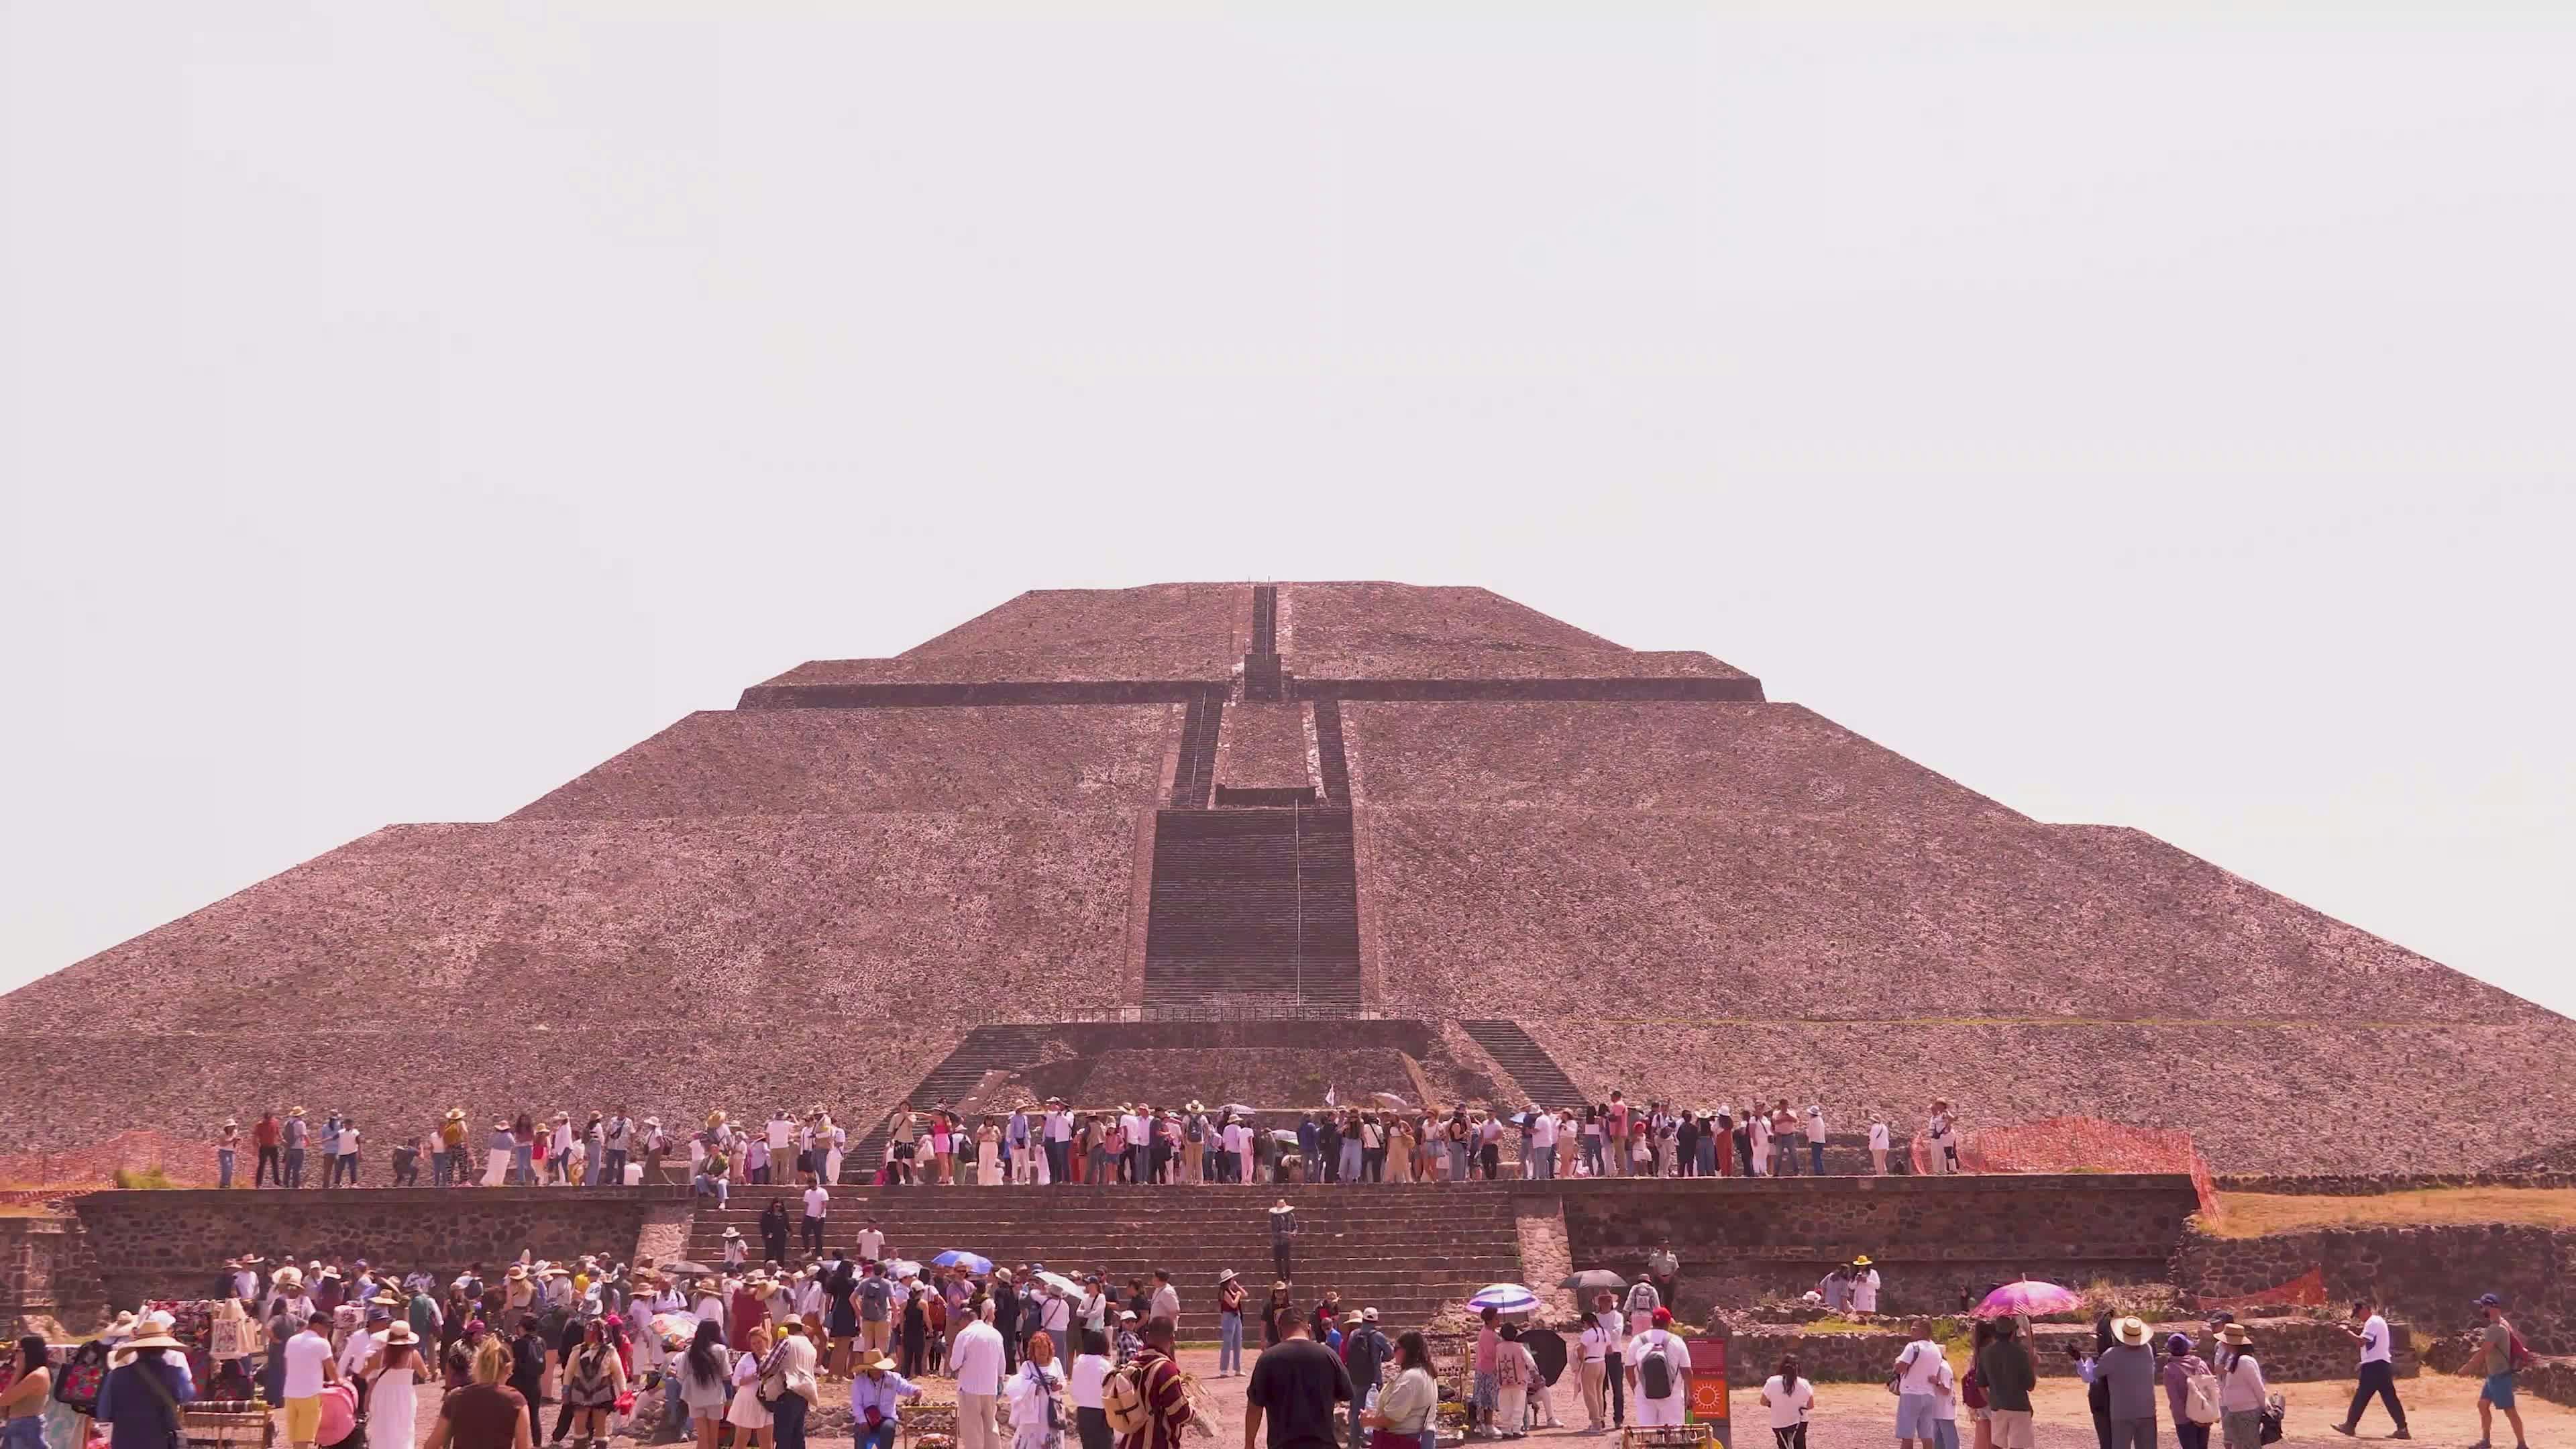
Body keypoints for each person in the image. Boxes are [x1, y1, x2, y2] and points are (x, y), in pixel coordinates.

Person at [1244, 1306, 1349, 1449]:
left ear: (1280, 1331)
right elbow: (1345, 1393)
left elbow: (1255, 1406)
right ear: (1310, 1329)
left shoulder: (1268, 1359)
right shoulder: (1329, 1355)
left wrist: (1249, 1445)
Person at [95, 1321, 196, 1449]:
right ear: (164, 1349)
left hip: (125, 1443)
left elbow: (104, 1413)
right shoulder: (175, 1374)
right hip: (161, 1442)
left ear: (137, 1349)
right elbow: (188, 1395)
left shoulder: (115, 1376)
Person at [425, 1338, 532, 1449]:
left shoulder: (456, 1398)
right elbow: (523, 1446)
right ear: (508, 1368)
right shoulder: (516, 1400)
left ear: (476, 1366)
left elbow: (433, 1444)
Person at [2333, 1297, 2408, 1439]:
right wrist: (2364, 1362)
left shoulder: (2373, 1322)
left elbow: (2361, 1342)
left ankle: (2350, 1426)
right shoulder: (2377, 1322)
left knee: (2362, 1396)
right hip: (2380, 1364)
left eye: (2359, 1313)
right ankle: (2402, 1428)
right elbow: (2372, 1347)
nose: (2359, 1317)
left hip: (2375, 1366)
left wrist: (2346, 1331)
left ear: (2366, 1309)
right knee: (2389, 1398)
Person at [2467, 1294, 2526, 1449]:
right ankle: (2486, 1441)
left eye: (2483, 1306)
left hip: (2500, 1376)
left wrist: (2468, 1367)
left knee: (2510, 1411)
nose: (2481, 1310)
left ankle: (2522, 1444)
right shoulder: (2502, 1324)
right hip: (2493, 1376)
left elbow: (2484, 1350)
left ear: (2491, 1307)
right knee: (2483, 1405)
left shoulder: (2495, 1328)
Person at [1364, 1332, 1440, 1449]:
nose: (1394, 1353)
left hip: (1403, 1441)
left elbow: (1392, 1418)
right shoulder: (1425, 1373)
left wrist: (1369, 1421)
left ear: (1406, 1351)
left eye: (1396, 1349)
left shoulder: (1411, 1378)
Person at [278, 1312, 341, 1449]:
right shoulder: (322, 1343)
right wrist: (339, 1382)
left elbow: (287, 1367)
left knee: (296, 1438)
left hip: (290, 1394)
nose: (328, 1331)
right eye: (326, 1327)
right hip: (310, 1395)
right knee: (304, 1439)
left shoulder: (292, 1340)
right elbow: (331, 1369)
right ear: (316, 1325)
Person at [1976, 1316, 2037, 1449]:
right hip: (2019, 1406)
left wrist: (1992, 1402)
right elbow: (2030, 1386)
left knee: (1997, 1445)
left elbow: (1980, 1384)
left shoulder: (1986, 1353)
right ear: (2012, 1332)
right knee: (2018, 1445)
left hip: (1998, 1406)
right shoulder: (2021, 1353)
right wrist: (2033, 1366)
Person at [954, 1301, 1009, 1449]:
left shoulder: (964, 1334)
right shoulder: (995, 1333)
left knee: (972, 1430)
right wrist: (1000, 1382)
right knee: (990, 1426)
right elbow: (1002, 1362)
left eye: (959, 1323)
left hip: (969, 1388)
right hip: (990, 1388)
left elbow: (954, 1364)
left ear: (964, 1320)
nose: (958, 1326)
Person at [361, 1324, 425, 1449]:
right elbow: (424, 1373)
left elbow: (363, 1374)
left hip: (382, 1393)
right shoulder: (414, 1355)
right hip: (404, 1395)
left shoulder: (380, 1354)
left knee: (381, 1428)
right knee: (404, 1428)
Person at [1622, 1307, 1688, 1429]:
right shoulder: (1677, 1342)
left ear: (1652, 1322)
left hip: (1645, 1393)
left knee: (1647, 1433)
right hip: (1672, 1396)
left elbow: (1629, 1368)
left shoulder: (1638, 1340)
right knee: (1673, 1435)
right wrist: (1691, 1394)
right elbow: (1687, 1371)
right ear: (1668, 1323)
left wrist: (1635, 1388)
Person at [2100, 1317, 2159, 1449]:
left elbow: (2091, 1375)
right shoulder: (2147, 1350)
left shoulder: (2111, 1355)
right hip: (2147, 1411)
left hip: (2122, 1412)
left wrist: (2080, 1361)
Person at [1005, 1330, 1065, 1449]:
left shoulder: (1056, 1363)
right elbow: (1016, 1386)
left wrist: (1060, 1386)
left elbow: (1063, 1381)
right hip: (1034, 1413)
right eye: (1038, 1347)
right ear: (1033, 1349)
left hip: (1052, 1410)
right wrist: (1033, 1388)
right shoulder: (1027, 1366)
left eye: (1045, 1347)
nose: (1042, 1350)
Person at [850, 1350, 922, 1449]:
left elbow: (906, 1387)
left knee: (888, 1428)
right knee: (861, 1431)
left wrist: (916, 1391)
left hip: (886, 1417)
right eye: (874, 1369)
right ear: (868, 1369)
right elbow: (856, 1404)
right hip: (866, 1418)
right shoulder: (859, 1381)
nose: (877, 1371)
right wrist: (863, 1421)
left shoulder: (893, 1378)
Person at [678, 1320, 732, 1449]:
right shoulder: (721, 1349)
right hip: (715, 1397)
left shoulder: (690, 1350)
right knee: (713, 1438)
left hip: (695, 1397)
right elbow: (727, 1375)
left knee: (702, 1437)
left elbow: (681, 1376)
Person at [2212, 1326, 2269, 1449]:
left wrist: (2265, 1408)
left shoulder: (2245, 1361)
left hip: (2247, 1411)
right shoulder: (2235, 1359)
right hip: (2236, 1411)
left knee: (2249, 1445)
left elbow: (2258, 1386)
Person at [2162, 1334, 2214, 1449]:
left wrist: (2190, 1417)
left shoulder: (2169, 1369)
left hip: (2184, 1419)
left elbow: (2175, 1400)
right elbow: (2213, 1389)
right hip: (2203, 1413)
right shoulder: (2200, 1364)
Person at [1, 1337, 52, 1449]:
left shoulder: (38, 1375)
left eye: (18, 1350)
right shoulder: (33, 1373)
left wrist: (19, 1369)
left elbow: (4, 1400)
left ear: (27, 1352)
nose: (15, 1355)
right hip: (18, 1426)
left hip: (26, 1427)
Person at [1576, 1299, 1614, 1431]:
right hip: (1602, 1362)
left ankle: (1596, 1422)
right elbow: (1610, 1351)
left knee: (1590, 1394)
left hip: (1590, 1363)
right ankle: (1601, 1419)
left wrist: (1579, 1358)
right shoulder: (1605, 1333)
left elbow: (1581, 1352)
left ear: (1586, 1322)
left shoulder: (1587, 1334)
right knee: (1599, 1393)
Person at [1761, 1354, 1813, 1449]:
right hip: (1799, 1422)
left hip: (1778, 1423)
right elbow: (1811, 1405)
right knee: (1800, 1444)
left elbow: (1763, 1402)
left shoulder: (1771, 1382)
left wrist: (1772, 1404)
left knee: (1783, 1445)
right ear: (1797, 1367)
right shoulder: (1804, 1383)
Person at [1216, 1270, 1248, 1378]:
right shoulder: (1224, 1292)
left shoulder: (1231, 1289)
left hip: (1236, 1316)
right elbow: (1233, 1304)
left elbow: (1245, 1294)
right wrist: (1238, 1295)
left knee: (1238, 1343)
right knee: (1227, 1343)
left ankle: (1237, 1368)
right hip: (1228, 1317)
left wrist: (1238, 1287)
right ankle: (1224, 1369)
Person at [1269, 1200, 1299, 1283]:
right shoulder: (1274, 1218)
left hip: (1287, 1242)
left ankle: (1288, 1278)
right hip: (1277, 1242)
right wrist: (1285, 1234)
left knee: (1287, 1260)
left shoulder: (1291, 1216)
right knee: (1278, 1261)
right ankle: (1281, 1278)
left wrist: (1294, 1233)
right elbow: (1275, 1231)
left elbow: (1295, 1227)